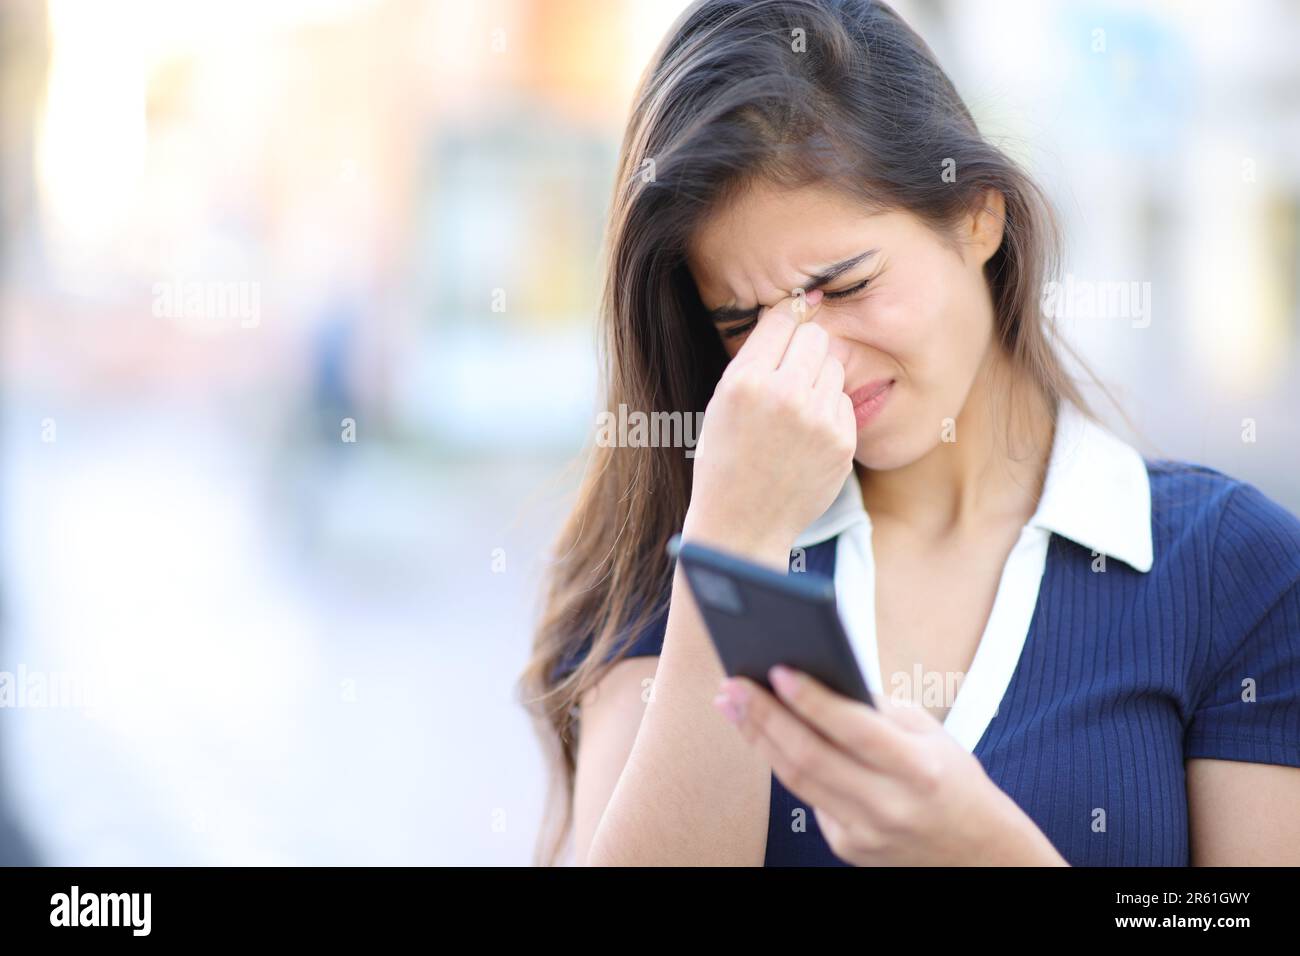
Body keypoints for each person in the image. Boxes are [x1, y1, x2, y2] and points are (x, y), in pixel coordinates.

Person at [518, 0, 1300, 866]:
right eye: (743, 324)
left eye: (845, 287)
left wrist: (987, 851)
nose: (809, 361)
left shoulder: (1233, 572)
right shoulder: (679, 556)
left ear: (978, 217)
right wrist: (735, 546)